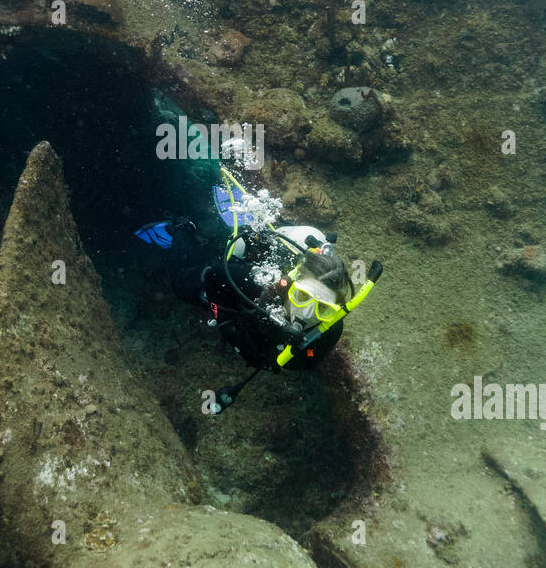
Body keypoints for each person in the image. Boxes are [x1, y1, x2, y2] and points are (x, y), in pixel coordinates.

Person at [136, 163, 382, 410]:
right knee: (182, 283)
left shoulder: (330, 329)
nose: (306, 314)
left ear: (336, 309)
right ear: (292, 284)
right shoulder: (263, 283)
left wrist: (294, 352)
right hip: (230, 281)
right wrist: (223, 321)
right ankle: (182, 228)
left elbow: (305, 361)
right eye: (301, 296)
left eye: (323, 309)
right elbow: (213, 273)